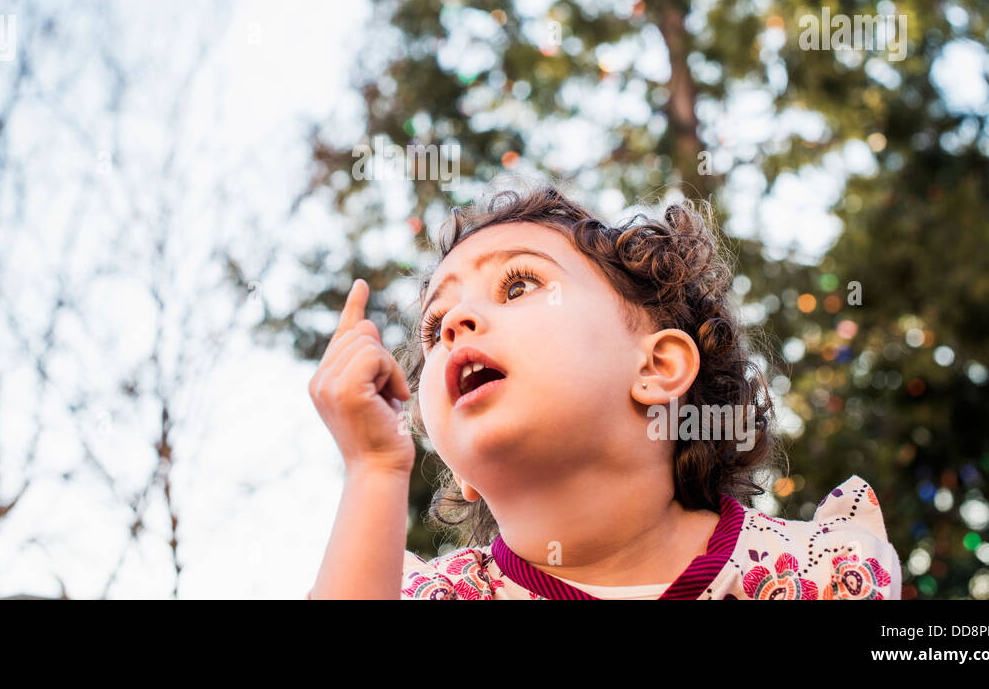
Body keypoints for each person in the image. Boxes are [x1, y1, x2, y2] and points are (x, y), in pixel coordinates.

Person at [306, 180, 901, 599]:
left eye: (517, 286)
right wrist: (376, 469)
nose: (457, 322)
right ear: (460, 470)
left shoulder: (821, 574)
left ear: (659, 367)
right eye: (436, 327)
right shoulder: (422, 596)